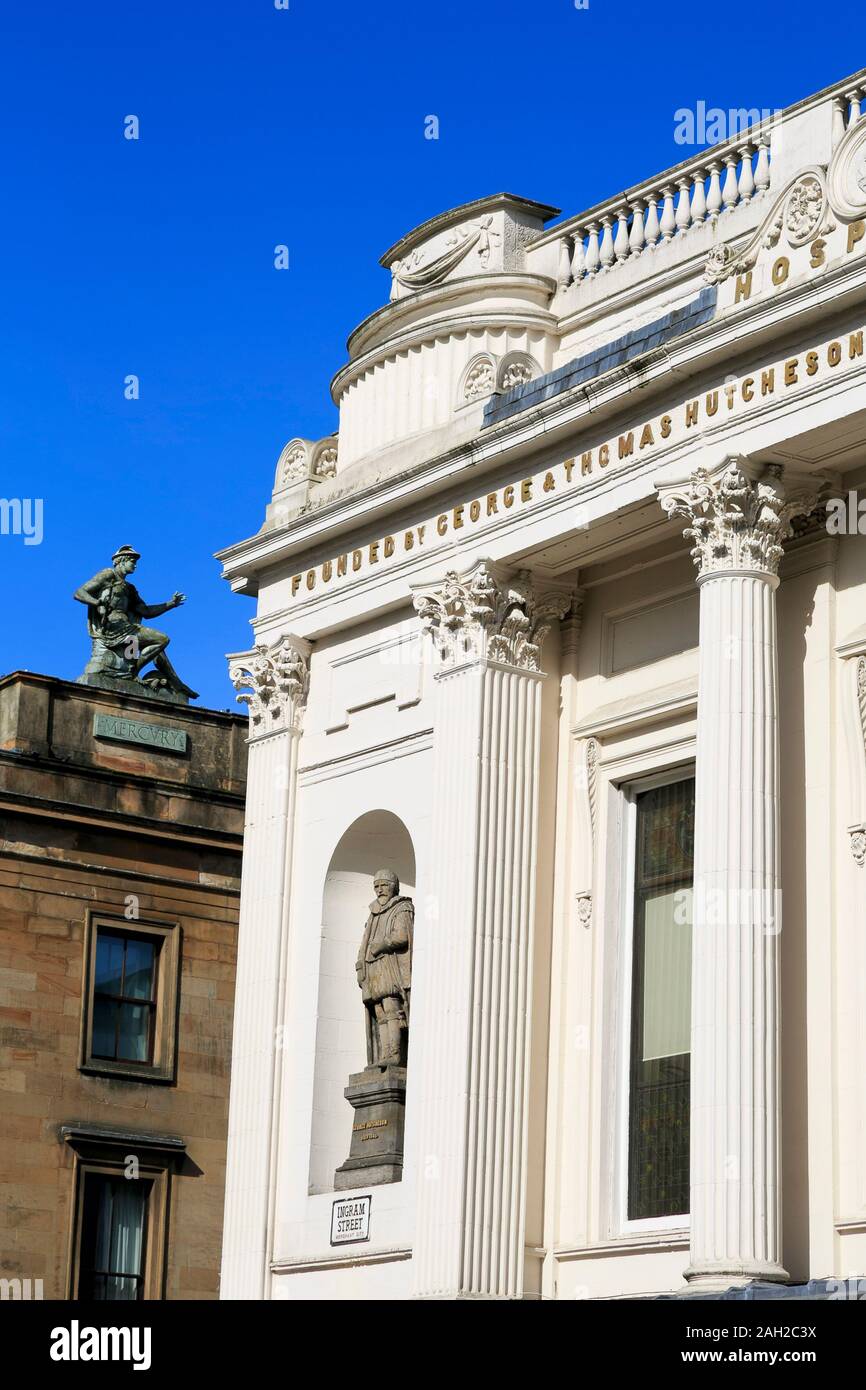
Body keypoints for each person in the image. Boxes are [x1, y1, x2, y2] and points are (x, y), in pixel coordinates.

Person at [73, 545, 198, 700]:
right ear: (122, 561)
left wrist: (170, 604)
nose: (135, 565)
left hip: (127, 628)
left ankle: (135, 673)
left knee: (160, 642)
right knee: (161, 640)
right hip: (113, 628)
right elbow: (79, 593)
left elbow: (146, 612)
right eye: (132, 561)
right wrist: (97, 603)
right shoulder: (107, 575)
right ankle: (133, 673)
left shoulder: (130, 589)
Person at [355, 869, 413, 1067]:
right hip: (373, 968)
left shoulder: (402, 908)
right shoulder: (373, 912)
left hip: (390, 966)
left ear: (393, 886)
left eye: (383, 886)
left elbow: (402, 935)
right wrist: (360, 966)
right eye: (376, 886)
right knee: (379, 1011)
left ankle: (395, 1053)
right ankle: (384, 1054)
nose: (379, 890)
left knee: (391, 1007)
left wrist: (381, 944)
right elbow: (365, 941)